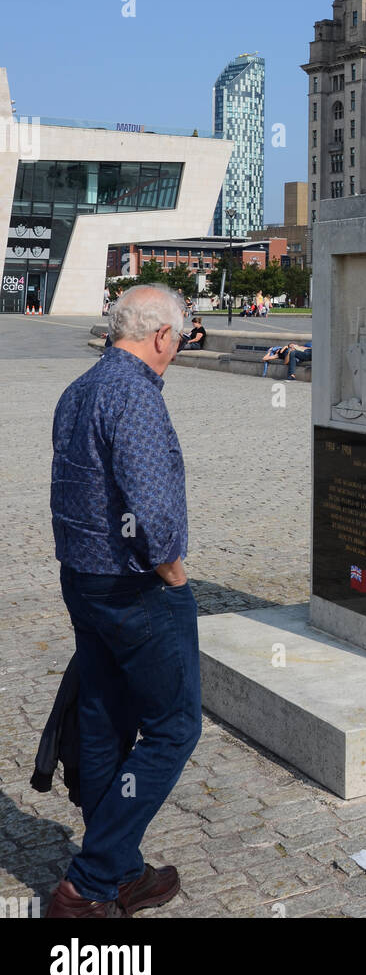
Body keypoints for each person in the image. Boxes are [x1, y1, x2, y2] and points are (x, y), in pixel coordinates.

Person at [46, 285, 201, 919]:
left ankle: (121, 869)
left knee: (106, 720)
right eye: (183, 337)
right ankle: (90, 881)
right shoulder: (134, 394)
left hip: (83, 581)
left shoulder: (80, 388)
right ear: (162, 335)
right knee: (173, 728)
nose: (180, 348)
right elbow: (154, 511)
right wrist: (176, 576)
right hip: (135, 590)